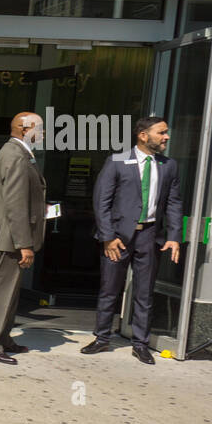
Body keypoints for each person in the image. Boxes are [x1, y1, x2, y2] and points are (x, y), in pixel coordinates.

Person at [82, 114, 183, 365]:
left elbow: (173, 202)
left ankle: (140, 343)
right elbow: (101, 202)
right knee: (109, 288)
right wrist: (107, 238)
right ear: (143, 135)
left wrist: (174, 236)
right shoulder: (116, 161)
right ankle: (102, 338)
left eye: (166, 132)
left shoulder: (168, 165)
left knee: (144, 291)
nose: (166, 137)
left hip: (149, 235)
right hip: (118, 237)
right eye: (161, 132)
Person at [0, 111, 47, 366]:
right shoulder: (15, 156)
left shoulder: (21, 154)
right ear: (23, 128)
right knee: (0, 293)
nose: (43, 133)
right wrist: (24, 244)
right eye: (39, 128)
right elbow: (15, 204)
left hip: (11, 238)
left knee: (10, 293)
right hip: (9, 238)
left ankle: (3, 338)